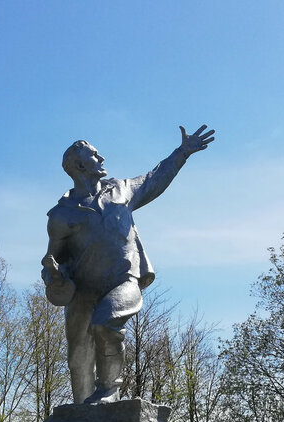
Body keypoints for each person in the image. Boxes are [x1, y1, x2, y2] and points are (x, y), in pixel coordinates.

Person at [42, 125, 215, 404]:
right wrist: (53, 275)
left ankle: (109, 390)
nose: (102, 159)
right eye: (94, 155)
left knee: (106, 324)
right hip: (83, 291)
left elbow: (153, 179)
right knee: (78, 359)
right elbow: (52, 260)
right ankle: (82, 419)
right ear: (78, 165)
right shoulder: (61, 214)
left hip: (123, 280)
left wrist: (182, 152)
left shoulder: (121, 190)